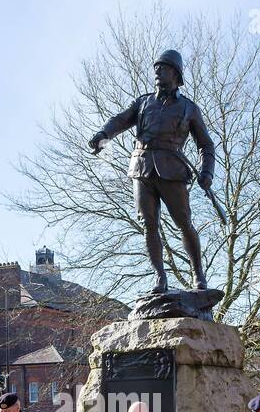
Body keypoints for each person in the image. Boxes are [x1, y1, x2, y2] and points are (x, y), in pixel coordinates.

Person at [88, 49, 216, 295]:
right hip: (142, 167)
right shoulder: (143, 102)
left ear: (176, 74)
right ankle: (160, 277)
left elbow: (206, 145)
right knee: (149, 224)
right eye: (156, 68)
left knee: (183, 223)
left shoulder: (189, 108)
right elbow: (119, 120)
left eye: (164, 68)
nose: (157, 71)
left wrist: (207, 172)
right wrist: (103, 136)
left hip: (173, 169)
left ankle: (198, 274)